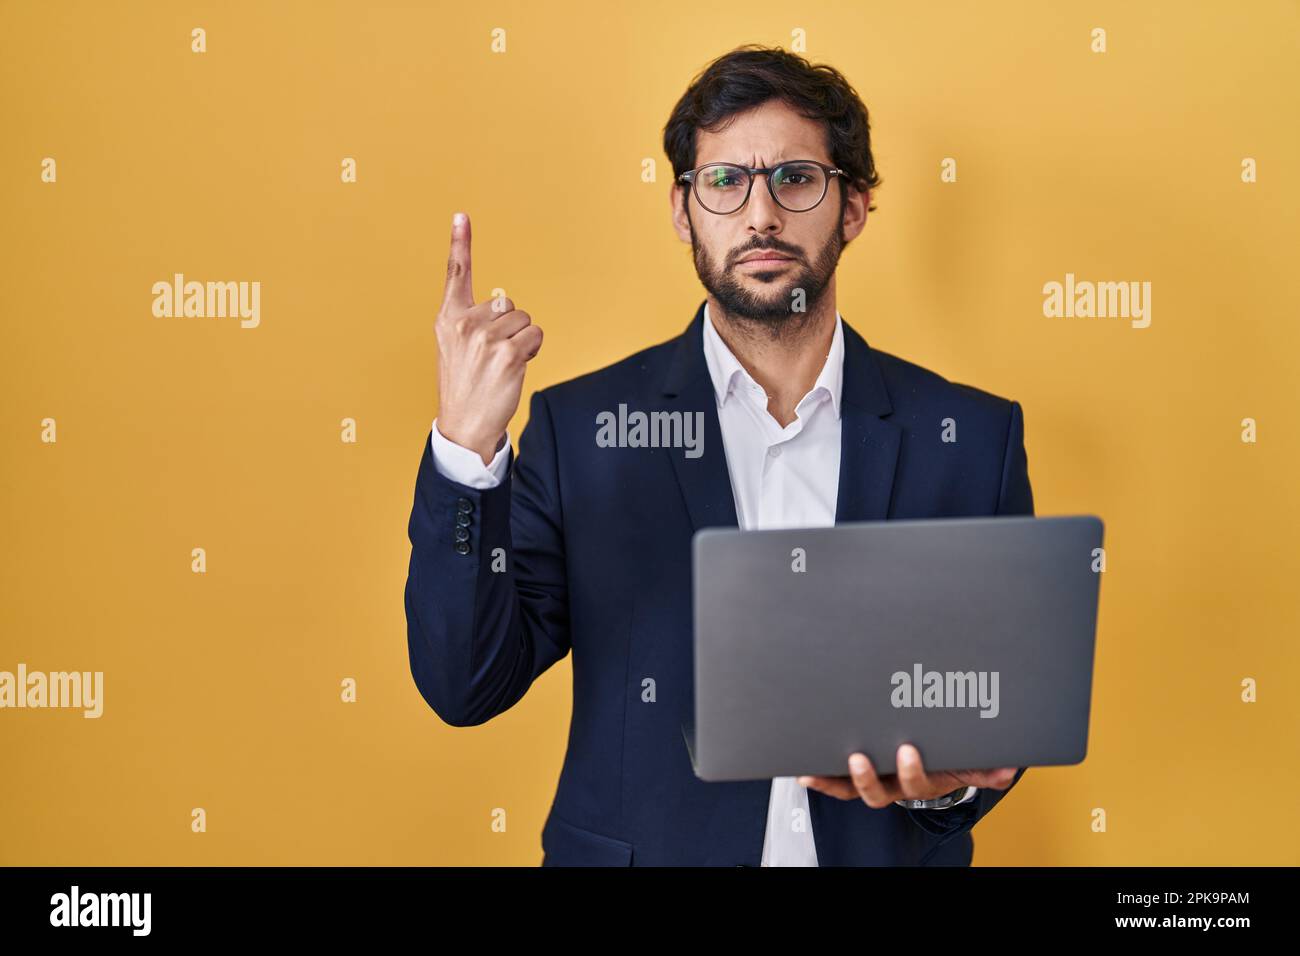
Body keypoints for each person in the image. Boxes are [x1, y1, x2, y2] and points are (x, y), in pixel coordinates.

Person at [405, 44, 1030, 866]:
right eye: (725, 182)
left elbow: (993, 723)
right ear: (682, 210)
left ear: (854, 207)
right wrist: (466, 447)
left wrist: (950, 784)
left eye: (796, 178)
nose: (760, 215)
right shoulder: (583, 429)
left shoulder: (971, 440)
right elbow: (466, 684)